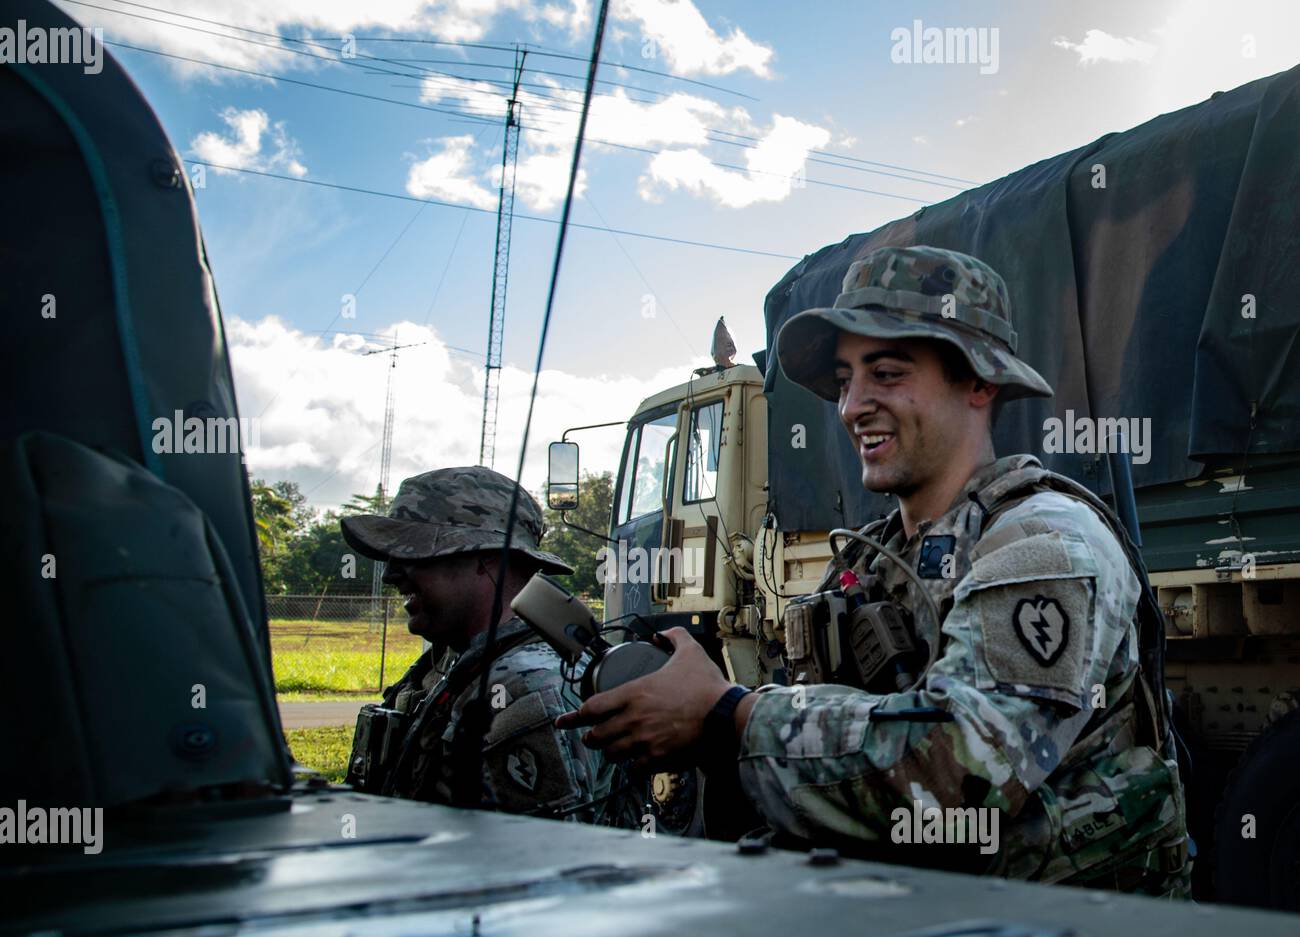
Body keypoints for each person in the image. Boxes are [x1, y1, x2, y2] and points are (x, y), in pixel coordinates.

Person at [557, 246, 1191, 897]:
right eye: (843, 381)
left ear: (979, 383)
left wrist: (727, 719)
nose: (852, 406)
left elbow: (956, 783)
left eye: (886, 374)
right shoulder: (871, 559)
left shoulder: (1043, 542)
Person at [340, 465, 623, 822]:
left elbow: (543, 865)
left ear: (487, 558)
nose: (392, 574)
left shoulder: (529, 687)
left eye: (413, 551)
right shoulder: (453, 661)